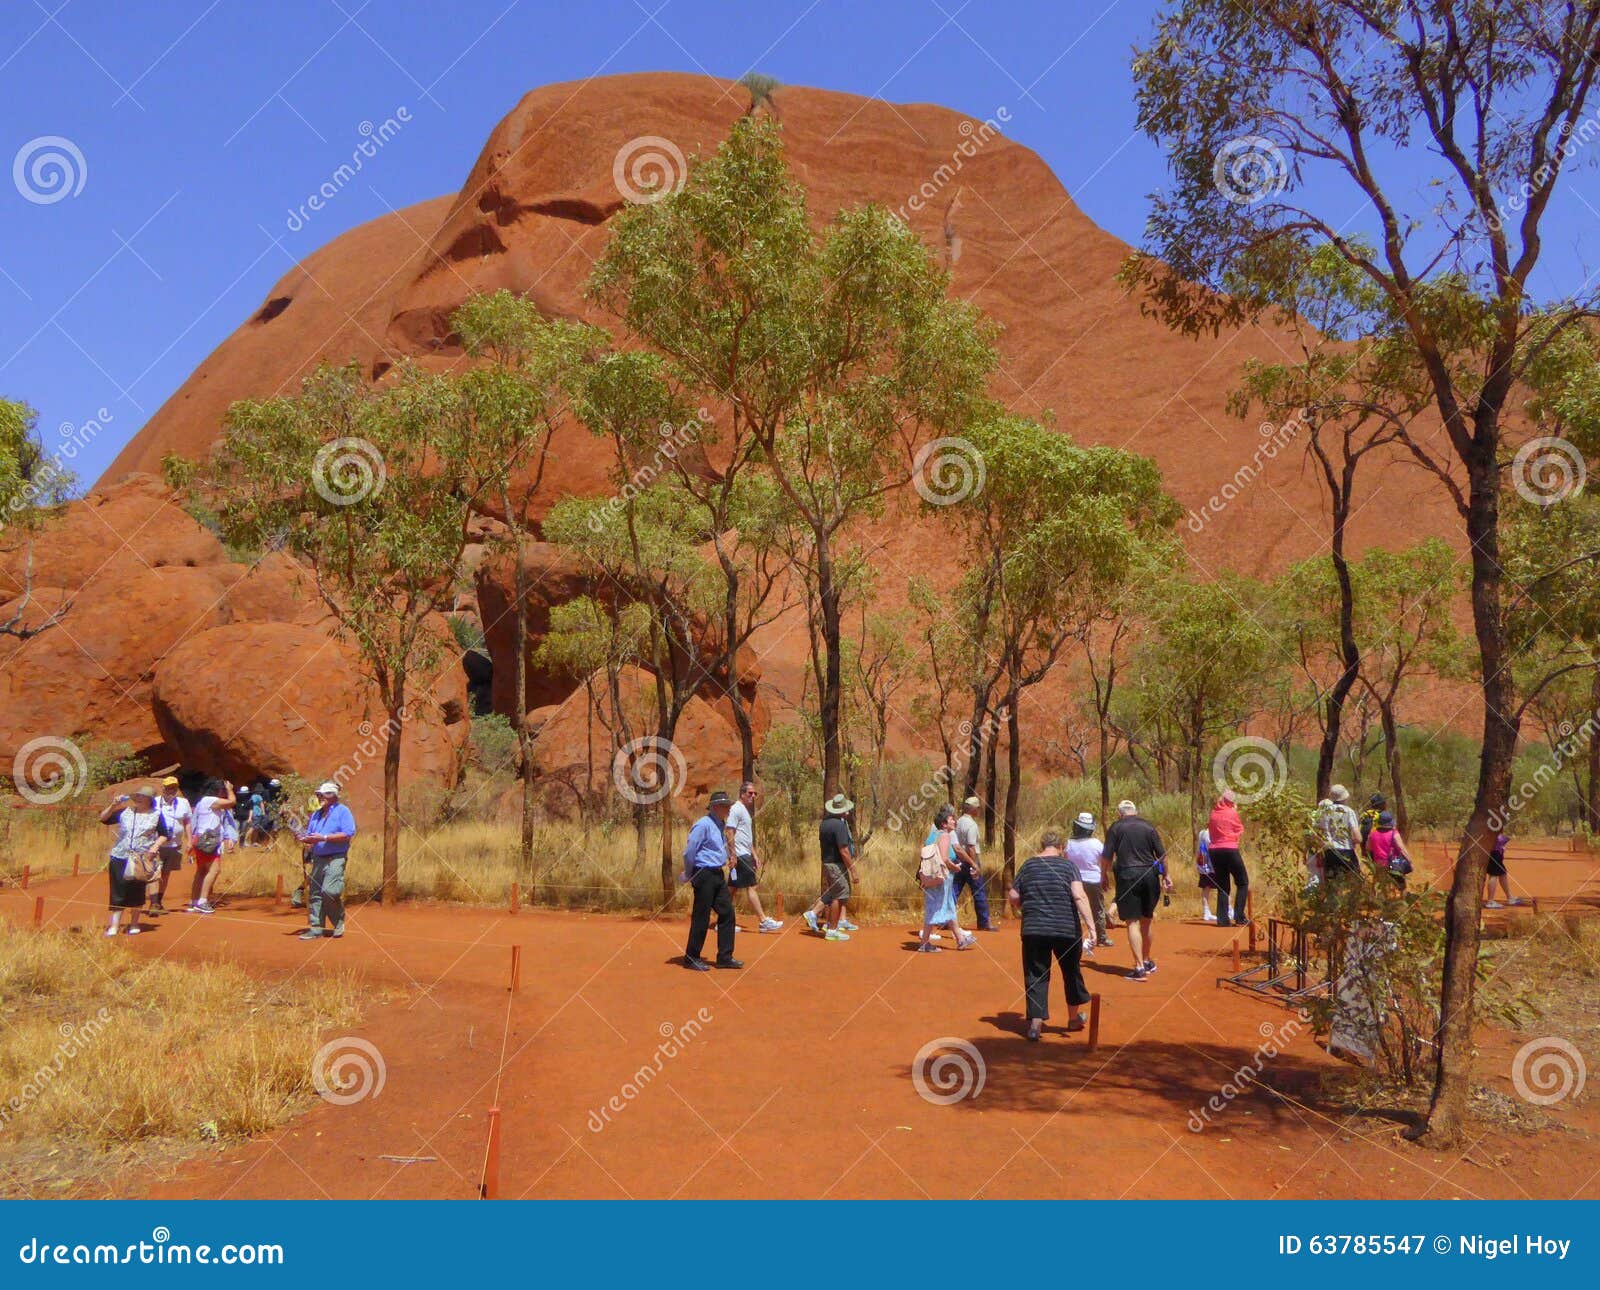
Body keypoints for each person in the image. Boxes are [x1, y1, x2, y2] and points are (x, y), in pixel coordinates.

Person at [1008, 830, 1097, 1041]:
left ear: (1042, 845)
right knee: (1071, 971)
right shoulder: (1068, 866)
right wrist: (1092, 927)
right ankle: (1073, 1019)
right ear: (1062, 847)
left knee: (1036, 973)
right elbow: (1079, 895)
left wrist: (1023, 905)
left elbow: (1013, 895)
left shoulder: (1029, 865)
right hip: (1066, 929)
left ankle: (1036, 1024)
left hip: (1034, 929)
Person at [1102, 799, 1170, 981]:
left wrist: (1103, 876)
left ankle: (1139, 968)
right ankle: (1146, 961)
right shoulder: (1148, 827)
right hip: (1150, 875)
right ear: (1135, 811)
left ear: (1120, 813)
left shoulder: (1116, 828)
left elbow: (1106, 857)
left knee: (1132, 922)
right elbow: (1162, 855)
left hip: (1128, 875)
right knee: (1146, 920)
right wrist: (1166, 876)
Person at [682, 790, 741, 970]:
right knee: (701, 916)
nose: (729, 809)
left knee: (727, 913)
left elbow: (715, 848)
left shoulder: (719, 824)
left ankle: (724, 957)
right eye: (725, 806)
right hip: (703, 874)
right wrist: (689, 873)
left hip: (717, 874)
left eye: (729, 806)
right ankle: (691, 957)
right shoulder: (703, 825)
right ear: (715, 807)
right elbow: (690, 851)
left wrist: (729, 856)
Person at [98, 785, 168, 937]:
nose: (138, 798)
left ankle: (134, 923)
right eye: (136, 796)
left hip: (141, 858)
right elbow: (103, 818)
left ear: (149, 799)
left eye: (141, 796)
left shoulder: (156, 814)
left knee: (136, 890)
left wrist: (154, 848)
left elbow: (164, 834)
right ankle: (114, 925)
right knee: (118, 890)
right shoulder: (125, 812)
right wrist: (113, 805)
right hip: (120, 856)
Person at [298, 781, 355, 941]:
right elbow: (311, 835)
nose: (319, 797)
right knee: (315, 894)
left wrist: (324, 838)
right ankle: (316, 929)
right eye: (318, 794)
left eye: (321, 794)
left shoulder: (343, 811)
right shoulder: (316, 814)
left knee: (329, 891)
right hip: (318, 858)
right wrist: (305, 839)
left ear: (332, 796)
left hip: (335, 858)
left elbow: (348, 834)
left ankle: (338, 921)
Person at [723, 781, 782, 934]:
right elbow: (729, 832)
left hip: (745, 854)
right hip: (740, 855)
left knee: (731, 890)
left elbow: (746, 837)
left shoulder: (744, 810)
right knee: (751, 887)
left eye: (755, 793)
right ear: (742, 793)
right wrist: (733, 855)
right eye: (750, 793)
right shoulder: (736, 809)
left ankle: (723, 922)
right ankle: (763, 921)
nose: (753, 796)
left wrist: (755, 855)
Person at [917, 805, 976, 952]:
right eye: (951, 819)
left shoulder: (933, 835)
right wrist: (954, 867)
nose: (954, 821)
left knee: (948, 906)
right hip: (942, 878)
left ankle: (961, 939)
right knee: (935, 908)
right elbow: (944, 858)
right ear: (944, 823)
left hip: (933, 877)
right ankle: (924, 944)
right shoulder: (944, 836)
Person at [804, 794, 860, 941]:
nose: (847, 812)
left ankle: (814, 914)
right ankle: (832, 930)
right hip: (836, 864)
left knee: (834, 891)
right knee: (840, 895)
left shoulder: (824, 823)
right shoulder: (839, 825)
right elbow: (844, 850)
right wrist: (853, 870)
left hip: (828, 862)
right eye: (845, 810)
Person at [186, 778, 236, 914]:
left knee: (201, 871)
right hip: (208, 840)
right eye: (223, 790)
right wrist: (230, 790)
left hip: (201, 838)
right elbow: (232, 802)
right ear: (218, 790)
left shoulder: (203, 801)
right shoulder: (210, 800)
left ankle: (194, 901)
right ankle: (202, 901)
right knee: (214, 870)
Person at [1066, 811, 1112, 948]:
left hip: (1074, 881)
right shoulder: (1096, 843)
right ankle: (1101, 938)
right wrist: (1105, 877)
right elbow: (1104, 862)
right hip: (1093, 880)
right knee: (1097, 908)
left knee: (1074, 910)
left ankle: (1073, 938)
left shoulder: (1068, 843)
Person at [148, 775, 192, 913]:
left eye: (174, 787)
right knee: (156, 873)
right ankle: (153, 904)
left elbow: (187, 822)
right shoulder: (154, 802)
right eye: (168, 788)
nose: (171, 790)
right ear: (163, 788)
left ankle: (158, 902)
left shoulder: (183, 802)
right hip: (156, 844)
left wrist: (189, 840)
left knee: (166, 874)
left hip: (175, 845)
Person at [952, 795, 996, 930]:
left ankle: (945, 920)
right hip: (970, 861)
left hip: (958, 860)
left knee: (954, 890)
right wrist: (974, 865)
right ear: (973, 809)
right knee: (979, 891)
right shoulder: (971, 825)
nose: (979, 810)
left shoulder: (958, 822)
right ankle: (984, 923)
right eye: (977, 808)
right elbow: (971, 846)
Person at [1208, 788, 1250, 927]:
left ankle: (1222, 919)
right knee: (1242, 882)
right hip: (1230, 849)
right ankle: (1239, 916)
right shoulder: (1232, 813)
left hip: (1214, 851)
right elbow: (1239, 830)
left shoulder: (1213, 813)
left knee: (1222, 885)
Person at [1318, 785, 1362, 882]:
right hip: (1347, 852)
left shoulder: (1324, 811)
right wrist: (1353, 842)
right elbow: (1358, 838)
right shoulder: (1349, 811)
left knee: (1332, 886)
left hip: (1329, 852)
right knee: (1356, 884)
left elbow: (1320, 832)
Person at [1364, 810, 1412, 891]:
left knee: (1378, 887)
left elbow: (1368, 848)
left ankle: (1378, 901)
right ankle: (1402, 901)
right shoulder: (1394, 833)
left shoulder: (1372, 834)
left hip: (1379, 865)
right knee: (1402, 887)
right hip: (1393, 865)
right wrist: (1409, 860)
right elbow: (1401, 848)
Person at [1483, 830, 1526, 907]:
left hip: (1496, 851)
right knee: (1493, 875)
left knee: (1503, 873)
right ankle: (1490, 901)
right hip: (1493, 852)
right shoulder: (1490, 823)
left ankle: (1510, 897)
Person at [1195, 822, 1218, 923]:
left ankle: (1206, 911)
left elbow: (1198, 849)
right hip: (1211, 865)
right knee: (1223, 887)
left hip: (1203, 865)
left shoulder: (1201, 833)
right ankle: (1227, 909)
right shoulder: (1210, 834)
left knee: (1206, 888)